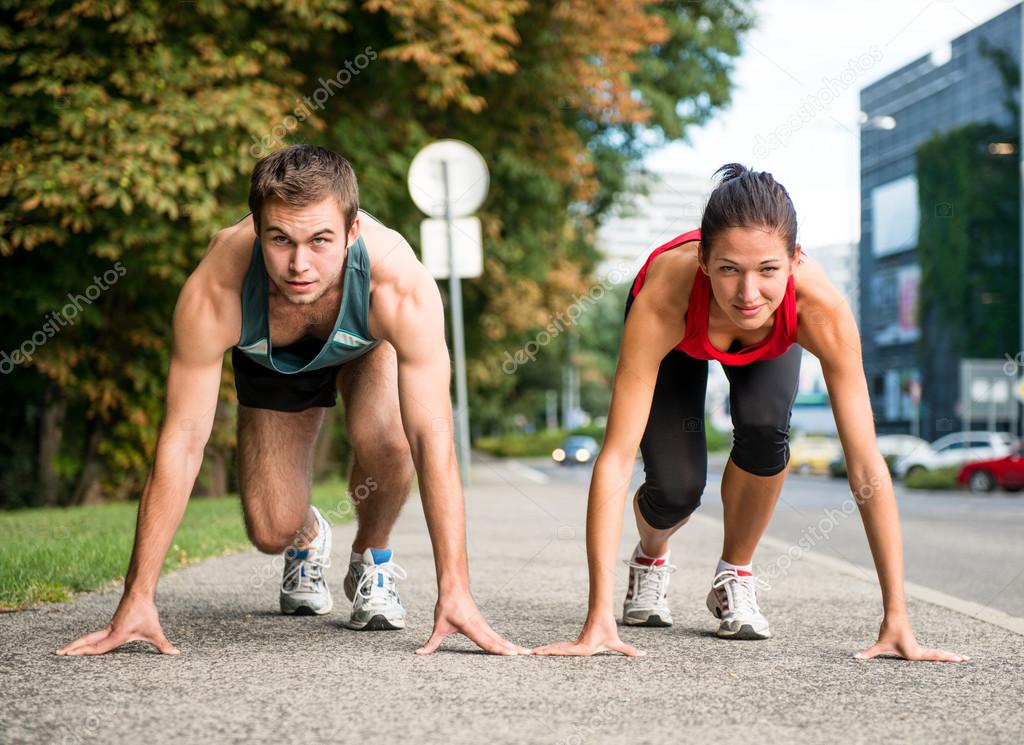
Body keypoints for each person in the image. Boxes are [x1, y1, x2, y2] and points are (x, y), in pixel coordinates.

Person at [57, 144, 527, 657]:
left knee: (390, 442)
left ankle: (372, 558)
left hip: (366, 346)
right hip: (272, 356)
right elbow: (183, 439)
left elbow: (432, 440)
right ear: (258, 229)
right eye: (280, 240)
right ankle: (307, 535)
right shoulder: (219, 287)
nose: (299, 264)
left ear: (351, 232)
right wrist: (137, 595)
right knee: (270, 529)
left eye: (320, 240)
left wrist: (456, 591)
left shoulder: (398, 283)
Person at [534, 164, 968, 662]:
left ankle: (734, 574)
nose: (747, 294)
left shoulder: (818, 309)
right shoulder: (664, 297)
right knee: (675, 491)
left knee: (765, 431)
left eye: (767, 270)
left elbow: (867, 465)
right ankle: (650, 557)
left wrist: (898, 619)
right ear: (702, 261)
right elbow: (613, 458)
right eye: (728, 269)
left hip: (771, 344)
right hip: (681, 341)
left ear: (795, 259)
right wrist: (598, 620)